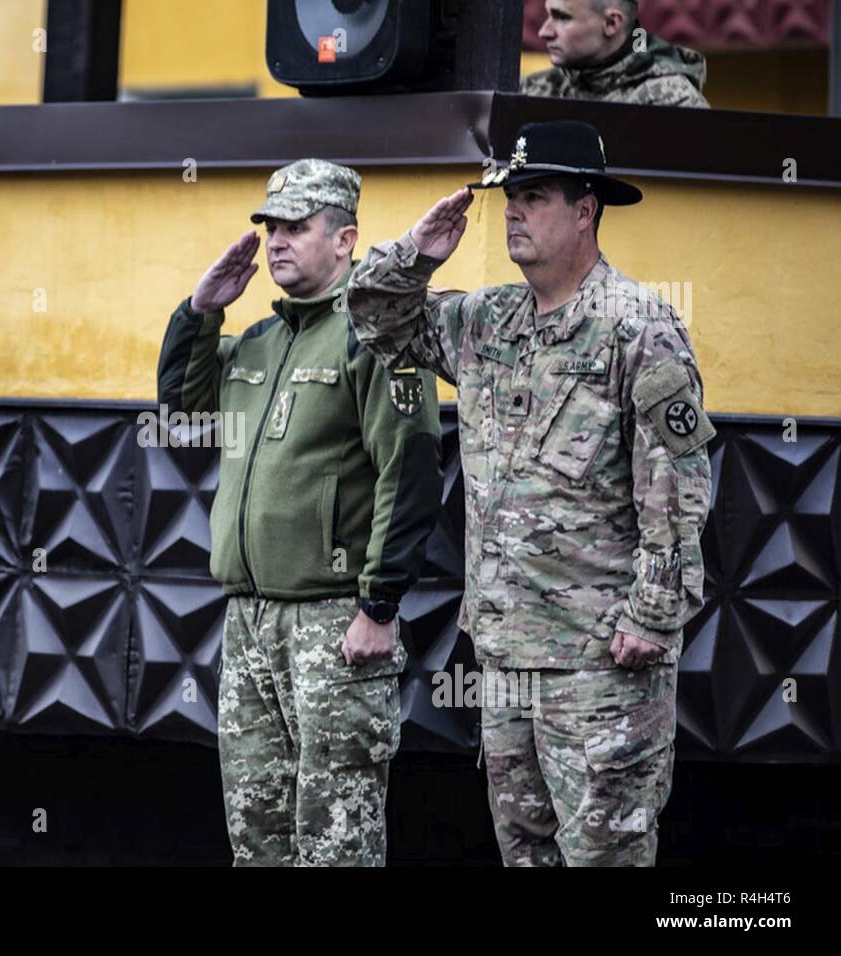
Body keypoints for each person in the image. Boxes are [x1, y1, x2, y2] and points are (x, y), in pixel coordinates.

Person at [346, 121, 713, 866]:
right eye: (510, 196)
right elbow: (377, 321)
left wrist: (652, 614)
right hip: (508, 656)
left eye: (535, 196)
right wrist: (416, 253)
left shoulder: (638, 328)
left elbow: (677, 483)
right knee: (526, 853)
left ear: (585, 211)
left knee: (605, 855)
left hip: (602, 662)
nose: (513, 210)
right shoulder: (488, 322)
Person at [156, 158, 442, 865]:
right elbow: (179, 410)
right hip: (250, 617)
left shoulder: (374, 337)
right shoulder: (259, 340)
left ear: (345, 240)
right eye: (271, 226)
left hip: (334, 622)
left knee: (334, 834)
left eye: (297, 226)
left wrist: (377, 607)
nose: (277, 240)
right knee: (258, 834)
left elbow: (409, 472)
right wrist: (199, 312)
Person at [522, 0, 710, 108]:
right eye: (549, 15)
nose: (544, 32)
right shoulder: (532, 90)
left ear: (611, 23)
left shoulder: (672, 101)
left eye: (562, 17)